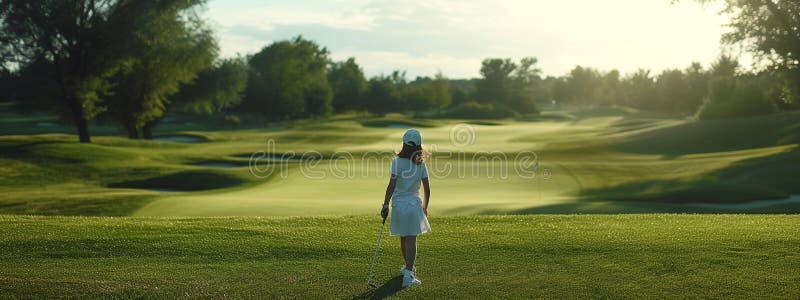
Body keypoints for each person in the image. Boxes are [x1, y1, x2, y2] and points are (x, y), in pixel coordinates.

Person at [381, 128, 431, 288]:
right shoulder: (420, 164)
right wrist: (425, 207)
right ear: (418, 146)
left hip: (398, 205)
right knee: (411, 239)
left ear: (404, 144)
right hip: (413, 205)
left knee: (404, 237)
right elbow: (427, 189)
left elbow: (392, 185)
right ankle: (409, 274)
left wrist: (385, 203)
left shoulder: (396, 162)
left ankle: (407, 269)